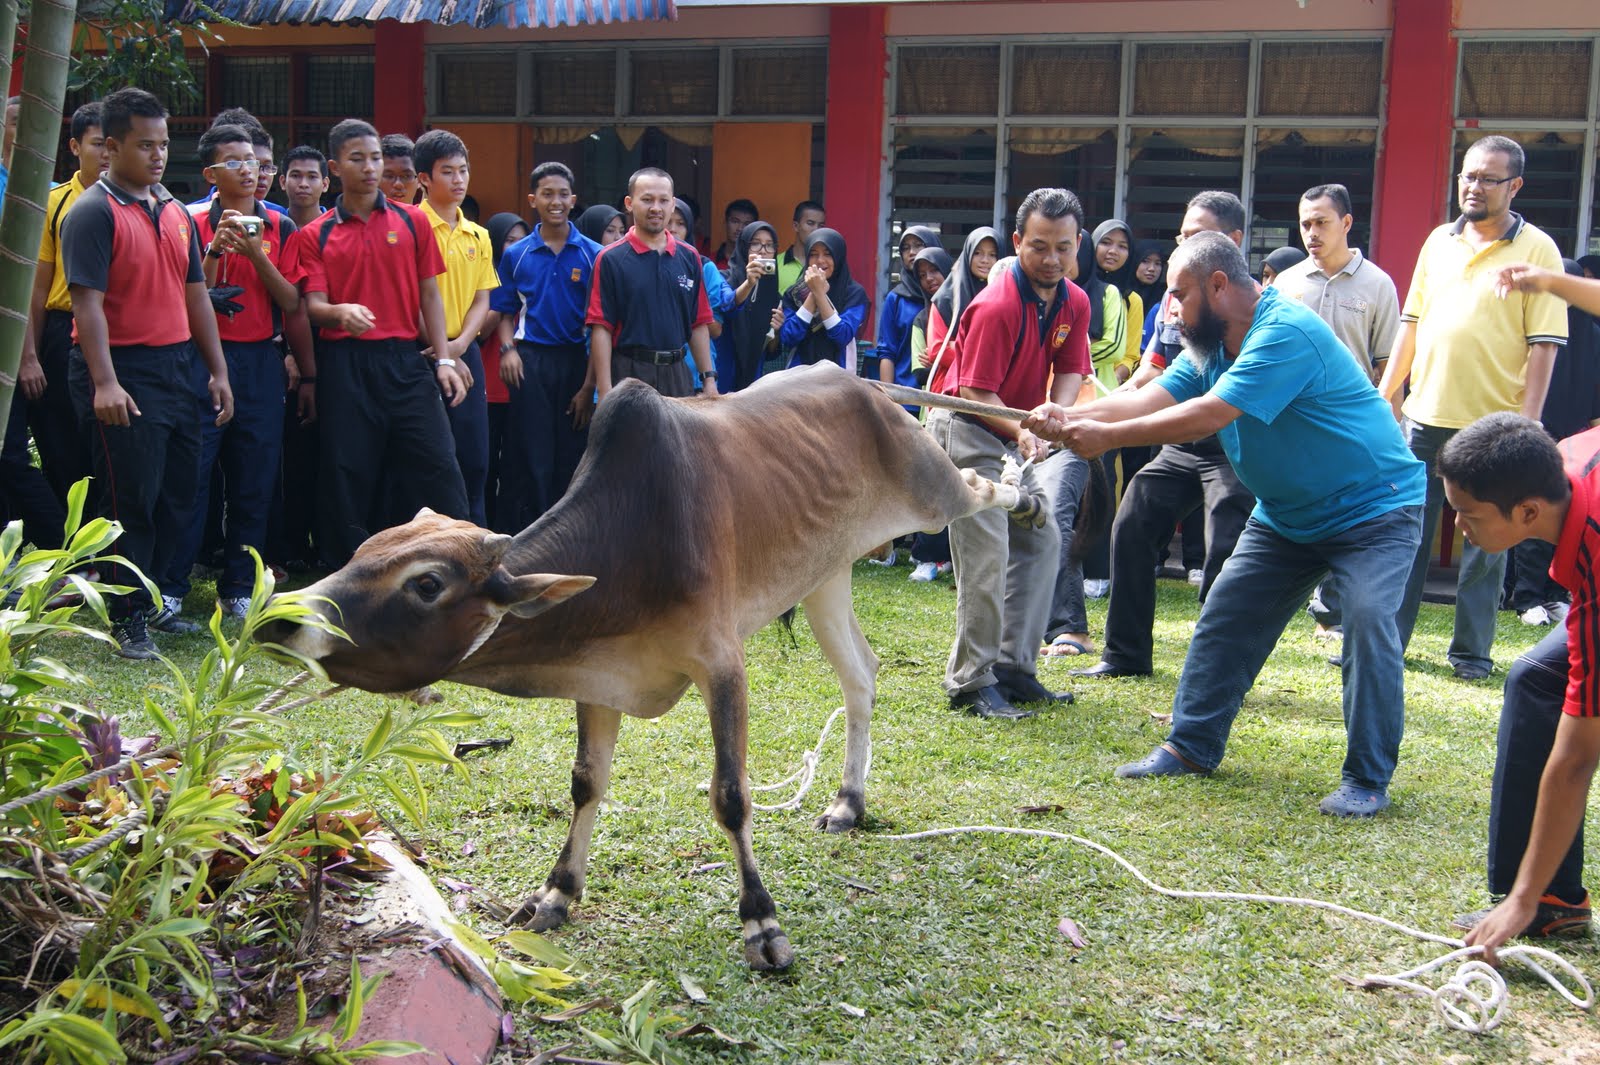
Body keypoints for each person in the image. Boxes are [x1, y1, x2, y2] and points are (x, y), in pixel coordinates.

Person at [1025, 232, 1425, 815]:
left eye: (1179, 294)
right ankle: (1190, 746)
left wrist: (1104, 437)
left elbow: (1208, 415)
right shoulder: (1213, 343)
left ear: (1218, 286)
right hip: (1288, 515)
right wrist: (1070, 416)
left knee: (1365, 619)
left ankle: (1367, 779)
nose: (1172, 309)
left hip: (1374, 510)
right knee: (1226, 614)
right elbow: (1153, 398)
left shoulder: (1283, 332)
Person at [1381, 135, 1568, 682]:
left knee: (1486, 546)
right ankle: (1389, 642)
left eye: (1488, 179)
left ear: (1514, 187)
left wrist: (1527, 424)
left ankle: (1470, 656)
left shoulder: (1539, 250)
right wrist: (1386, 395)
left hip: (1494, 425)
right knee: (1404, 534)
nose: (1474, 187)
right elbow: (1411, 323)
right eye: (1467, 175)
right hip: (1424, 415)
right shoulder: (1438, 241)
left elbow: (1545, 343)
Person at [61, 87, 235, 658]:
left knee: (179, 493)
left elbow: (196, 295)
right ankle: (125, 615)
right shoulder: (93, 212)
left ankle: (153, 597)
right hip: (123, 369)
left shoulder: (175, 211)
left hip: (178, 366)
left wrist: (217, 370)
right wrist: (105, 382)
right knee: (127, 499)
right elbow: (86, 304)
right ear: (111, 147)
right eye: (145, 145)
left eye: (163, 144)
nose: (158, 155)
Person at [1433, 414, 1599, 959]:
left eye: (1468, 513)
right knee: (1536, 680)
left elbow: (1576, 759)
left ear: (1527, 511)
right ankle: (1556, 899)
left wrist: (1519, 898)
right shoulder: (1561, 462)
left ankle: (1532, 899)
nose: (1457, 525)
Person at [1072, 192, 1255, 680]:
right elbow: (1154, 377)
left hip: (1235, 448)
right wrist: (1080, 414)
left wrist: (1107, 432)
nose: (1184, 244)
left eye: (1197, 236)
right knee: (1133, 520)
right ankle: (1125, 656)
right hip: (1180, 445)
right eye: (1183, 235)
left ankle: (1216, 670)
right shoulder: (1177, 304)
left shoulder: (1256, 316)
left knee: (1225, 546)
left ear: (1231, 244)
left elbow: (1209, 411)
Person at [929, 187, 1091, 721]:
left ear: (1077, 245)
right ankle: (971, 683)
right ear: (1018, 241)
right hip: (967, 428)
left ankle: (1015, 668)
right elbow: (974, 392)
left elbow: (1070, 368)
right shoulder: (997, 303)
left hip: (1015, 431)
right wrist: (1025, 429)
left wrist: (1053, 413)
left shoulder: (1076, 301)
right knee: (987, 552)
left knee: (1042, 539)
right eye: (1039, 246)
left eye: (1063, 248)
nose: (1051, 260)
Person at [286, 118, 467, 568]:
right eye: (357, 159)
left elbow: (430, 294)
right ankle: (345, 575)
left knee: (438, 463)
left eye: (375, 159)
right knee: (347, 473)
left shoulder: (412, 222)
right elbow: (312, 305)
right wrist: (339, 313)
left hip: (406, 361)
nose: (370, 168)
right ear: (335, 167)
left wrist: (444, 358)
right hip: (345, 364)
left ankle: (461, 565)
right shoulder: (316, 234)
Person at [162, 123, 301, 620]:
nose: (250, 171)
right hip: (200, 358)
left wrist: (255, 254)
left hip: (259, 360)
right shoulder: (186, 219)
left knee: (254, 476)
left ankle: (239, 586)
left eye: (256, 162)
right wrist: (216, 250)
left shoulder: (280, 225)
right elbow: (178, 294)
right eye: (236, 162)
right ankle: (172, 585)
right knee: (190, 476)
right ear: (211, 173)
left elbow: (291, 300)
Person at [1271, 182, 1402, 645]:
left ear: (1346, 223)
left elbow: (1389, 362)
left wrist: (1390, 427)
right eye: (1305, 223)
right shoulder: (1286, 284)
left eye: (1322, 222)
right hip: (1293, 420)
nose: (1311, 232)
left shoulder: (1377, 283)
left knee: (1350, 510)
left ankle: (1332, 608)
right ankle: (1297, 598)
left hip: (1352, 423)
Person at [493, 162, 601, 528]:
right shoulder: (517, 253)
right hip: (531, 361)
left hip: (576, 360)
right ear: (532, 200)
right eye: (547, 194)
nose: (555, 202)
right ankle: (533, 530)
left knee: (572, 451)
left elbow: (599, 324)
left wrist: (589, 387)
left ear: (574, 199)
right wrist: (508, 351)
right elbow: (505, 311)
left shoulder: (593, 254)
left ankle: (570, 530)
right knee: (531, 451)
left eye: (562, 195)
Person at [1497, 261, 1600, 627]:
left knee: (1556, 519)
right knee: (1534, 518)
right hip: (1540, 431)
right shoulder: (1537, 322)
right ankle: (1528, 596)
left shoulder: (1587, 329)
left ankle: (1547, 594)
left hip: (1567, 438)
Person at [24, 101, 105, 507]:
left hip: (118, 332)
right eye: (97, 145)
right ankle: (68, 545)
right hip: (62, 330)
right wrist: (30, 356)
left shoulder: (141, 204)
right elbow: (36, 290)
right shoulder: (54, 203)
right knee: (61, 438)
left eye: (113, 144)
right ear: (74, 147)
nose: (107, 154)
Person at [415, 129, 497, 528]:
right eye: (448, 172)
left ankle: (475, 539)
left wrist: (460, 347)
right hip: (421, 352)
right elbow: (407, 297)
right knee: (429, 458)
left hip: (466, 353)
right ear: (424, 179)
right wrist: (442, 350)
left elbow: (483, 298)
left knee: (474, 456)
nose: (459, 180)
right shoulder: (411, 226)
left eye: (463, 170)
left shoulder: (478, 234)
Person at [587, 167, 718, 401]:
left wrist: (709, 380)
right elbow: (601, 328)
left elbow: (698, 323)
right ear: (629, 202)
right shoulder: (610, 259)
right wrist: (605, 391)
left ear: (672, 204)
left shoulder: (689, 257)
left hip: (677, 376)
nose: (656, 207)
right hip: (629, 375)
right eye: (647, 199)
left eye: (663, 200)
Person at [480, 212, 528, 532]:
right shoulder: (485, 279)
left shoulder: (529, 275)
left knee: (516, 462)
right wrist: (503, 305)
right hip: (486, 383)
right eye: (509, 240)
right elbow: (482, 332)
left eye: (521, 241)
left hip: (521, 383)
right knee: (485, 464)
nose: (515, 248)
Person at [777, 228, 870, 371]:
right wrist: (813, 293)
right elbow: (789, 336)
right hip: (799, 377)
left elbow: (842, 335)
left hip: (839, 377)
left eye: (828, 254)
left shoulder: (854, 293)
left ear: (838, 257)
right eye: (813, 254)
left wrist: (819, 294)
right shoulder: (794, 293)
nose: (820, 260)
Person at [670, 197, 736, 392]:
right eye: (668, 223)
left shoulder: (704, 267)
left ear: (690, 229)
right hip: (653, 372)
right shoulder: (643, 264)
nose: (673, 229)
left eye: (681, 224)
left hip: (696, 373)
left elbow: (715, 329)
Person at [723, 219, 783, 390]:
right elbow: (727, 307)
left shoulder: (774, 294)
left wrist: (776, 330)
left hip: (754, 380)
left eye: (769, 246)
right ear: (744, 248)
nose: (763, 251)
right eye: (755, 244)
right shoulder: (725, 279)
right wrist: (749, 283)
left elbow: (771, 349)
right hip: (725, 368)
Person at [878, 226, 941, 388]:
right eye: (905, 248)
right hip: (905, 396)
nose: (912, 252)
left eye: (918, 245)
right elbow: (887, 351)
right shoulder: (896, 299)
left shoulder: (949, 297)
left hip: (942, 396)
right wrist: (889, 399)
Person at [779, 200, 825, 294]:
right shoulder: (776, 264)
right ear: (796, 226)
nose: (816, 230)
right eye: (810, 223)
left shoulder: (826, 265)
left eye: (821, 225)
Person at [280, 145, 329, 230]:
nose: (304, 184)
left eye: (312, 177)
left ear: (324, 184)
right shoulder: (271, 227)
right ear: (283, 182)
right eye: (295, 176)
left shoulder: (337, 229)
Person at [712, 197, 758, 268]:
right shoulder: (709, 261)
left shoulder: (757, 263)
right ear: (725, 223)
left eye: (746, 224)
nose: (740, 228)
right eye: (735, 221)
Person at [380, 134, 419, 205]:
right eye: (389, 176)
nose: (398, 184)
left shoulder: (427, 216)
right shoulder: (363, 215)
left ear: (420, 180)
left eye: (406, 176)